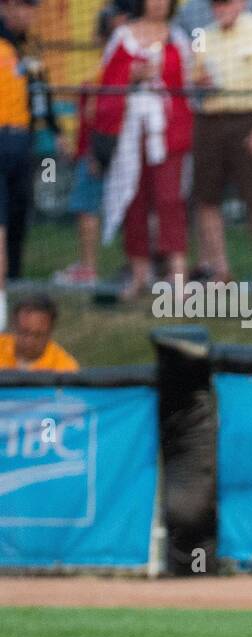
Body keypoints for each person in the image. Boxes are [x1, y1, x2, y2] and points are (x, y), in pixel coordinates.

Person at [96, 0, 193, 300]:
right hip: (130, 131)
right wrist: (131, 74)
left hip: (167, 130)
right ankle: (139, 273)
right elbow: (108, 79)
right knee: (134, 199)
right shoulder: (123, 36)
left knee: (169, 198)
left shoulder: (179, 37)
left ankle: (177, 274)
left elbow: (185, 82)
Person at [191, 0, 252, 287]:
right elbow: (193, 80)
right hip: (210, 119)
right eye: (216, 4)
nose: (221, 9)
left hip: (248, 118)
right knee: (207, 199)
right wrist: (200, 83)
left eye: (226, 3)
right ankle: (221, 272)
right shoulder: (203, 35)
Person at [52, 2, 130, 290]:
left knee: (88, 206)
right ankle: (102, 265)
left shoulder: (105, 70)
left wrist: (92, 153)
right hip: (97, 148)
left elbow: (94, 116)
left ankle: (89, 267)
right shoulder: (104, 68)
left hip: (98, 149)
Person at [0, 0, 56, 327]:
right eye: (18, 7)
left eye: (29, 8)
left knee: (21, 203)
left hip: (22, 137)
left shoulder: (30, 46)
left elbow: (41, 90)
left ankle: (15, 271)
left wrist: (53, 127)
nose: (25, 14)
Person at [0, 295, 78, 371]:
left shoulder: (65, 368)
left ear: (50, 331)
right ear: (14, 326)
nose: (29, 341)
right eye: (23, 332)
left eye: (38, 335)